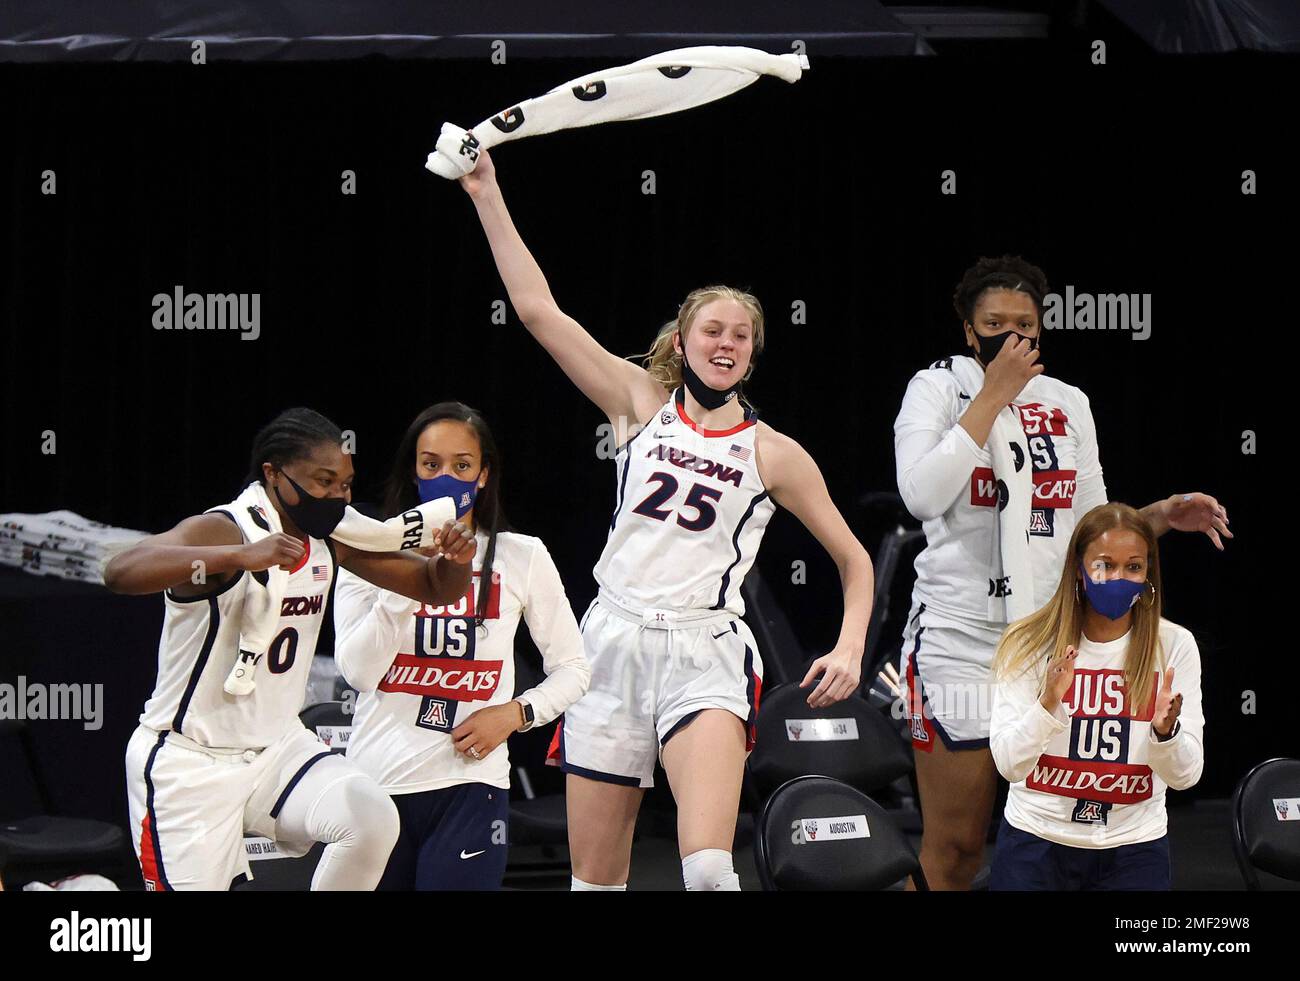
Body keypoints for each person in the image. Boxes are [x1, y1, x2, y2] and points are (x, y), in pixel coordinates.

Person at [458, 147, 875, 891]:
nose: (726, 343)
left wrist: (848, 644)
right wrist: (488, 194)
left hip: (704, 650)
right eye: (712, 330)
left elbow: (854, 558)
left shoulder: (775, 453)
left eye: (740, 336)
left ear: (751, 357)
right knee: (595, 881)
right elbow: (536, 311)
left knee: (712, 871)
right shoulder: (637, 402)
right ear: (682, 343)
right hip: (610, 643)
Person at [893, 254, 1229, 889]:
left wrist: (1155, 515)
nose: (1013, 335)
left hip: (1047, 638)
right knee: (959, 845)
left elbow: (1091, 526)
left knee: (1050, 826)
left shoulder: (1068, 402)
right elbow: (921, 494)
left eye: (1027, 323)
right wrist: (994, 393)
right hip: (956, 639)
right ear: (969, 328)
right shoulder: (936, 388)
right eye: (996, 322)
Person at [105, 407, 476, 890]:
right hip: (191, 761)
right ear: (273, 474)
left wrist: (457, 560)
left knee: (370, 819)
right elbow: (120, 570)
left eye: (345, 484)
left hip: (277, 749)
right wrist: (240, 556)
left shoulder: (332, 539)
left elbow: (435, 588)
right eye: (323, 481)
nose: (338, 497)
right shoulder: (224, 529)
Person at [334, 402, 590, 889]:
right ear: (414, 472)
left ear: (483, 475)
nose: (446, 477)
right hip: (376, 784)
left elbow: (574, 669)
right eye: (431, 465)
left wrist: (514, 714)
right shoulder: (367, 555)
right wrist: (411, 576)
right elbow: (358, 674)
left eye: (462, 465)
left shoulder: (522, 556)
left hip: (472, 788)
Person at [988, 502, 1202, 890]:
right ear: (1079, 570)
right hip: (1035, 841)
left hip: (1133, 848)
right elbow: (1009, 764)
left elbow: (1186, 776)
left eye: (1133, 567)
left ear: (1148, 574)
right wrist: (1047, 704)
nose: (1119, 578)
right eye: (1104, 565)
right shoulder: (1029, 643)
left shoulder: (1173, 645)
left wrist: (1165, 734)